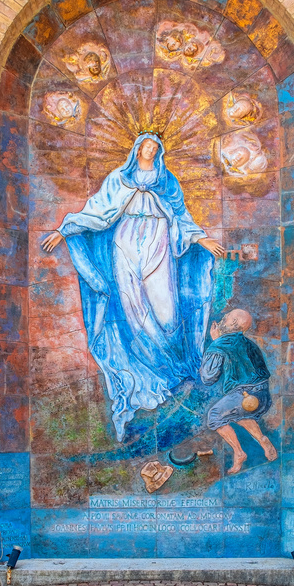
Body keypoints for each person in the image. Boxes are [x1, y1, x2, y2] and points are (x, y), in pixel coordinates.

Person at [42, 132, 224, 440]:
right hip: (125, 238)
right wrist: (64, 230)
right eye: (146, 146)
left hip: (158, 237)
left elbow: (180, 213)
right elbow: (98, 209)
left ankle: (170, 367)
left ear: (159, 151)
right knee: (130, 304)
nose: (150, 150)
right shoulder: (119, 178)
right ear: (137, 150)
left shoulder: (166, 180)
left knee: (166, 309)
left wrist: (201, 238)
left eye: (155, 147)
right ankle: (142, 370)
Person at [200, 309, 277, 474]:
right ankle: (262, 439)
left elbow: (208, 378)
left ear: (232, 324)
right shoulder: (249, 344)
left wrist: (216, 343)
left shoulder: (220, 344)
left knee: (215, 416)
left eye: (227, 317)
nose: (223, 318)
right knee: (237, 413)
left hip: (244, 396)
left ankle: (239, 452)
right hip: (262, 397)